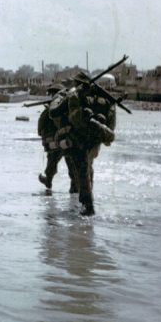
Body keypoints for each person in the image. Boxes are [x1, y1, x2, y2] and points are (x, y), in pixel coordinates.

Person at [50, 71, 117, 215]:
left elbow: (72, 117)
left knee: (82, 172)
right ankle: (86, 201)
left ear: (78, 83)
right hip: (95, 140)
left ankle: (88, 206)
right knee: (88, 168)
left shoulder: (75, 96)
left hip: (79, 139)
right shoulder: (104, 99)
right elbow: (111, 124)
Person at [37, 83, 76, 194]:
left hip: (55, 141)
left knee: (52, 162)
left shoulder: (51, 109)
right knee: (71, 163)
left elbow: (41, 126)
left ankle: (48, 180)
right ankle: (75, 186)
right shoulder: (68, 108)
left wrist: (44, 137)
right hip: (67, 139)